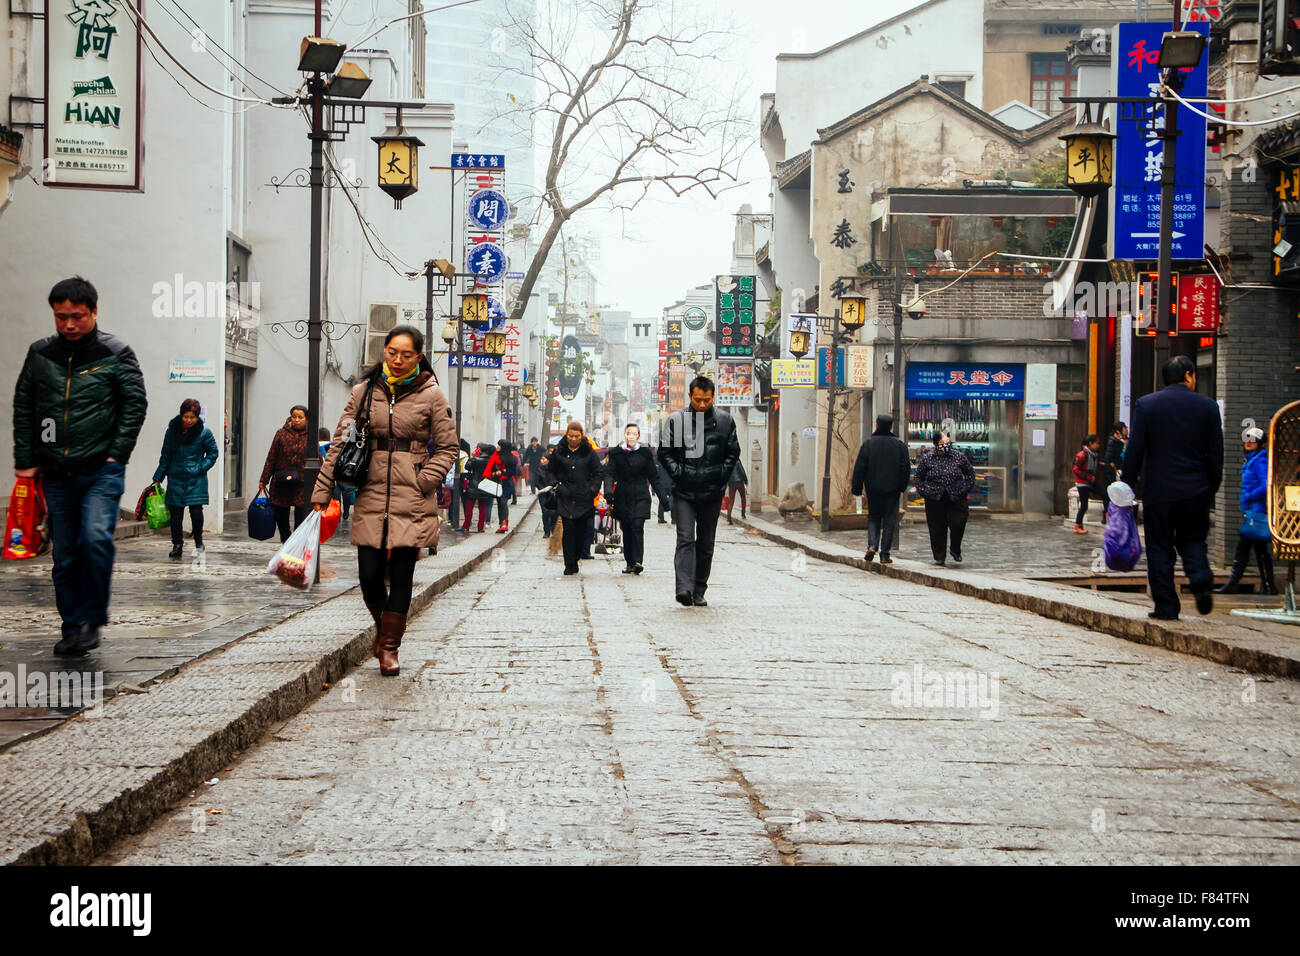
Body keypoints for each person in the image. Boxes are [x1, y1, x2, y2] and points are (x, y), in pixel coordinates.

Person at [13, 276, 147, 655]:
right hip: (55, 472)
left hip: (101, 471)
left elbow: (134, 404)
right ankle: (71, 626)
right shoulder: (41, 355)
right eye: (60, 317)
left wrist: (116, 454)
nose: (69, 325)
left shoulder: (117, 353)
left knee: (95, 538)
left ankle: (91, 620)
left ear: (94, 312)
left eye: (77, 316)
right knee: (65, 553)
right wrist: (26, 461)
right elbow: (25, 406)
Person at [313, 325, 457, 676]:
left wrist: (424, 479)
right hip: (371, 490)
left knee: (403, 574)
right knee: (369, 574)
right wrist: (321, 490)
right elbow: (339, 444)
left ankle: (390, 647)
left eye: (405, 355)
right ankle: (384, 628)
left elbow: (449, 447)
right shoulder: (363, 392)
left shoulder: (432, 395)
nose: (396, 359)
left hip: (413, 496)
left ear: (418, 358)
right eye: (392, 352)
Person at [1123, 355, 1224, 620]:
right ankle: (1200, 578)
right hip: (1196, 490)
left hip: (1159, 491)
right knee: (1193, 541)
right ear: (1189, 375)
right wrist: (1210, 486)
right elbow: (1216, 455)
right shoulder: (1208, 407)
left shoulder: (1147, 405)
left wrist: (1127, 486)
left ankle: (1166, 605)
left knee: (1160, 548)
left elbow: (1135, 451)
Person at [658, 376, 740, 607]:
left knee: (706, 543)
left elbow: (733, 452)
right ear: (690, 397)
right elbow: (664, 452)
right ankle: (683, 588)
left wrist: (720, 475)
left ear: (713, 397)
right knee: (685, 538)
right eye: (697, 400)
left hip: (711, 492)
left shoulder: (725, 421)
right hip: (684, 491)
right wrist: (678, 472)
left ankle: (699, 589)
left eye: (706, 400)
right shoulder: (677, 420)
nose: (702, 404)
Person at [153, 398, 219, 559]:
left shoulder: (204, 432)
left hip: (196, 479)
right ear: (181, 415)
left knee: (196, 511)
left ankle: (198, 540)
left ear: (197, 417)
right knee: (176, 514)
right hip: (175, 477)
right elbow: (166, 455)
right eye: (186, 416)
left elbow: (213, 453)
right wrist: (158, 477)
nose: (189, 420)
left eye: (192, 417)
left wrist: (201, 467)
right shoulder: (172, 431)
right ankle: (177, 544)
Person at [1216, 426, 1276, 595]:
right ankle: (1269, 586)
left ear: (1260, 443)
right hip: (1252, 511)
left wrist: (1250, 495)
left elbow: (1266, 484)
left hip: (1256, 512)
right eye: (1247, 439)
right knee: (1259, 549)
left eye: (1254, 440)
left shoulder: (1259, 462)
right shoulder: (1252, 460)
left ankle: (1234, 583)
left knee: (1244, 547)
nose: (1249, 443)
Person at [850, 413, 912, 565]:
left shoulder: (868, 444)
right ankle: (885, 554)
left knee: (874, 517)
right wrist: (902, 487)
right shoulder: (899, 445)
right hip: (893, 490)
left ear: (876, 425)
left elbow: (860, 468)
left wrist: (857, 488)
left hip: (873, 488)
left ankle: (872, 545)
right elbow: (906, 468)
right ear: (891, 426)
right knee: (890, 520)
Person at [545, 421, 604, 575]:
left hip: (584, 497)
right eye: (571, 436)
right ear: (567, 435)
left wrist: (592, 489)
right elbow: (550, 471)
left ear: (581, 435)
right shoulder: (559, 451)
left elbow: (598, 473)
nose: (573, 439)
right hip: (564, 496)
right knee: (569, 529)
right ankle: (569, 564)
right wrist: (555, 485)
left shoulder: (588, 452)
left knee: (581, 531)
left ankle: (576, 556)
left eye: (576, 436)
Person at [913, 431, 976, 567]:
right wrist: (925, 492)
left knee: (958, 523)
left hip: (956, 496)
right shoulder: (927, 459)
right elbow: (918, 477)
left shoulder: (958, 457)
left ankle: (955, 549)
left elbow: (970, 473)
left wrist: (964, 489)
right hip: (935, 498)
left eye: (948, 444)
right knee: (937, 527)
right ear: (936, 445)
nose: (946, 446)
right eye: (943, 444)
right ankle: (939, 555)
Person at [607, 423, 656, 574]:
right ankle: (629, 562)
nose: (631, 436)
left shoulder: (645, 454)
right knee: (626, 528)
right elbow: (609, 474)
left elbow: (654, 476)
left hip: (641, 494)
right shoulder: (616, 453)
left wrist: (665, 499)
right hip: (622, 495)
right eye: (629, 433)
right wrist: (608, 492)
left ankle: (637, 561)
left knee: (637, 525)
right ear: (625, 435)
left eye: (634, 434)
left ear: (638, 436)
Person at [260, 405, 310, 543]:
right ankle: (286, 542)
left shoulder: (311, 436)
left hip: (302, 483)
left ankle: (296, 545)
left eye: (300, 417)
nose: (297, 420)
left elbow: (317, 458)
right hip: (281, 482)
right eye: (294, 417)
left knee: (301, 516)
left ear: (306, 419)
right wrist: (264, 479)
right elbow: (271, 457)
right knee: (281, 515)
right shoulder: (281, 433)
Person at [484, 439, 520, 532]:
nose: (498, 447)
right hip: (496, 482)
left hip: (506, 483)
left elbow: (513, 471)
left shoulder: (512, 458)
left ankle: (505, 524)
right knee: (499, 503)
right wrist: (493, 473)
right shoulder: (495, 456)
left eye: (499, 445)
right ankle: (501, 524)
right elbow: (490, 468)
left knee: (503, 502)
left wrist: (503, 471)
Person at [459, 442, 495, 533]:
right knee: (482, 507)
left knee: (469, 506)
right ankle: (480, 527)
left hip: (473, 485)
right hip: (484, 485)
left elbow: (467, 467)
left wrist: (472, 456)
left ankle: (466, 526)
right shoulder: (491, 460)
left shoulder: (475, 460)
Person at [1072, 434, 1102, 534]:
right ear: (1090, 444)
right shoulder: (1082, 455)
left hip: (1090, 481)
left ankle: (1107, 517)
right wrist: (1088, 477)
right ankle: (1077, 526)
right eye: (1097, 443)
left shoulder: (1094, 455)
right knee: (1084, 505)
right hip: (1083, 483)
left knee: (1104, 494)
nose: (1098, 445)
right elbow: (1076, 469)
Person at [537, 440, 559, 537]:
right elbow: (536, 481)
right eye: (541, 459)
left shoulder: (554, 470)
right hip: (542, 493)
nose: (542, 461)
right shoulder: (539, 469)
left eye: (544, 459)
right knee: (545, 512)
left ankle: (553, 528)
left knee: (553, 513)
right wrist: (542, 489)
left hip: (553, 493)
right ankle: (546, 531)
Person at [725, 459, 749, 524]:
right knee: (743, 497)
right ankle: (743, 513)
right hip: (739, 482)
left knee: (731, 500)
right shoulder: (737, 460)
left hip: (731, 483)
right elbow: (741, 470)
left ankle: (729, 517)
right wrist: (746, 480)